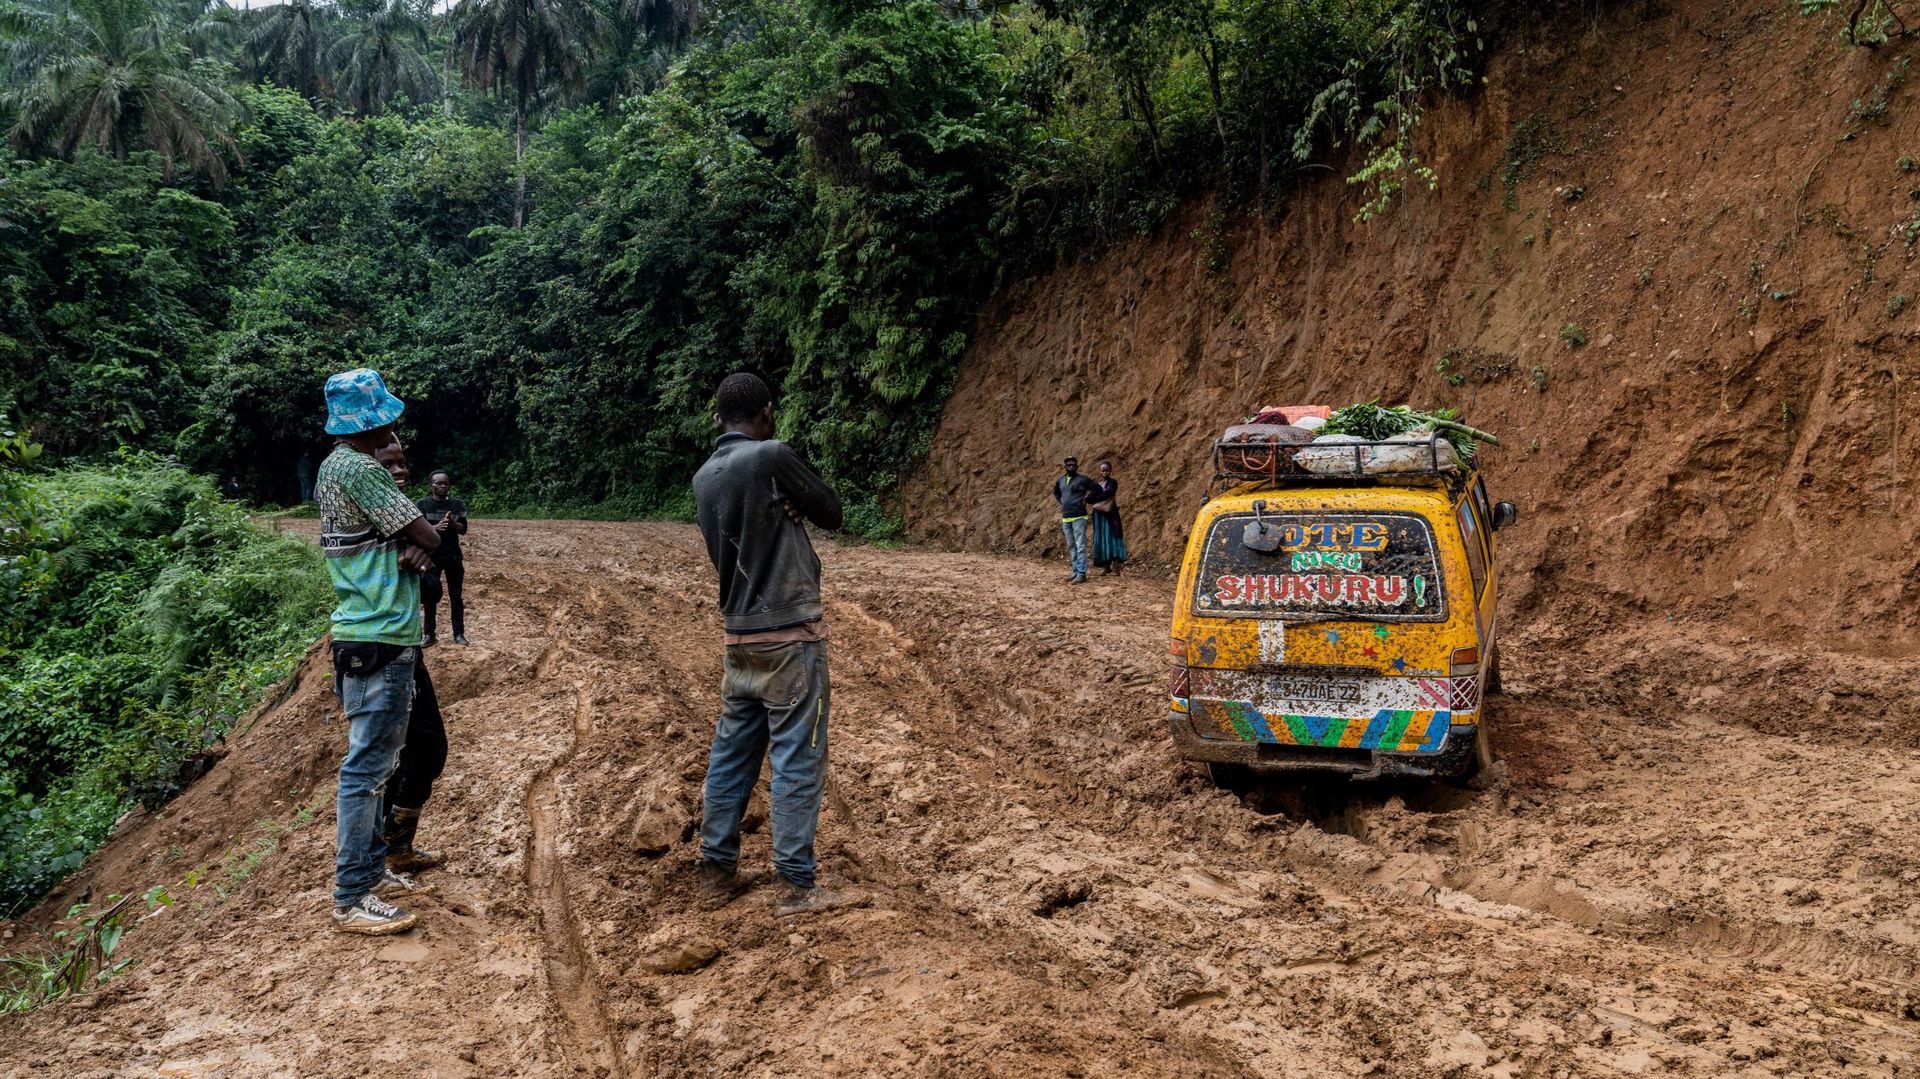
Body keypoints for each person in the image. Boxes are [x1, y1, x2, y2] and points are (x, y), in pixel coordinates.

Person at [690, 372, 863, 917]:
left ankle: (715, 871)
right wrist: (796, 502)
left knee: (732, 754)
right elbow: (832, 510)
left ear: (718, 418)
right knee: (797, 755)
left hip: (739, 638)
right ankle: (795, 884)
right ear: (766, 412)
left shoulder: (704, 477)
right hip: (791, 638)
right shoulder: (769, 456)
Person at [316, 368, 440, 936]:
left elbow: (406, 541)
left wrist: (410, 547)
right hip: (378, 635)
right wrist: (417, 544)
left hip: (368, 633)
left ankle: (369, 872)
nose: (394, 424)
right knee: (366, 769)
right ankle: (351, 895)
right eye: (386, 415)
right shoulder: (362, 469)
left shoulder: (332, 467)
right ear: (375, 420)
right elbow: (429, 535)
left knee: (378, 763)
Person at [373, 443, 448, 874]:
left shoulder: (407, 524)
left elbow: (433, 592)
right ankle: (382, 853)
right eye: (389, 464)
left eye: (403, 463)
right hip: (379, 650)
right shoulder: (371, 528)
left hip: (407, 648)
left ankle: (396, 846)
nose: (400, 471)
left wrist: (418, 568)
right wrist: (403, 564)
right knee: (394, 757)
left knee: (428, 749)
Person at [416, 470, 469, 647]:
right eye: (438, 483)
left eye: (445, 483)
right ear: (431, 485)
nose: (442, 486)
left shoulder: (457, 505)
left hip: (453, 557)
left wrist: (454, 524)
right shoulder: (422, 504)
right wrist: (435, 527)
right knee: (430, 596)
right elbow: (418, 530)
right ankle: (429, 635)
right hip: (432, 558)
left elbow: (463, 529)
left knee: (456, 597)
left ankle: (459, 634)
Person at [1052, 456, 1099, 584]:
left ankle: (1082, 574)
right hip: (1066, 517)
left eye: (1074, 465)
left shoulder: (1083, 479)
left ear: (1077, 466)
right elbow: (1056, 492)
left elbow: (1097, 488)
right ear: (1065, 467)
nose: (1071, 467)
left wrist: (1087, 500)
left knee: (1080, 546)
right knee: (1072, 546)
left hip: (1079, 517)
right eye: (1069, 465)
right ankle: (1075, 571)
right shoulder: (1060, 480)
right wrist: (1062, 501)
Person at [1089, 460, 1128, 575]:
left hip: (1110, 515)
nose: (1104, 472)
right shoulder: (1097, 485)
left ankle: (1116, 566)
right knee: (1102, 538)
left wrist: (1094, 499)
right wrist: (1092, 498)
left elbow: (1108, 493)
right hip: (1099, 516)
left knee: (1113, 537)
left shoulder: (1113, 482)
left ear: (1110, 471)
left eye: (1106, 470)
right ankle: (1106, 567)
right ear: (1099, 471)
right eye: (1102, 470)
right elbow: (1090, 497)